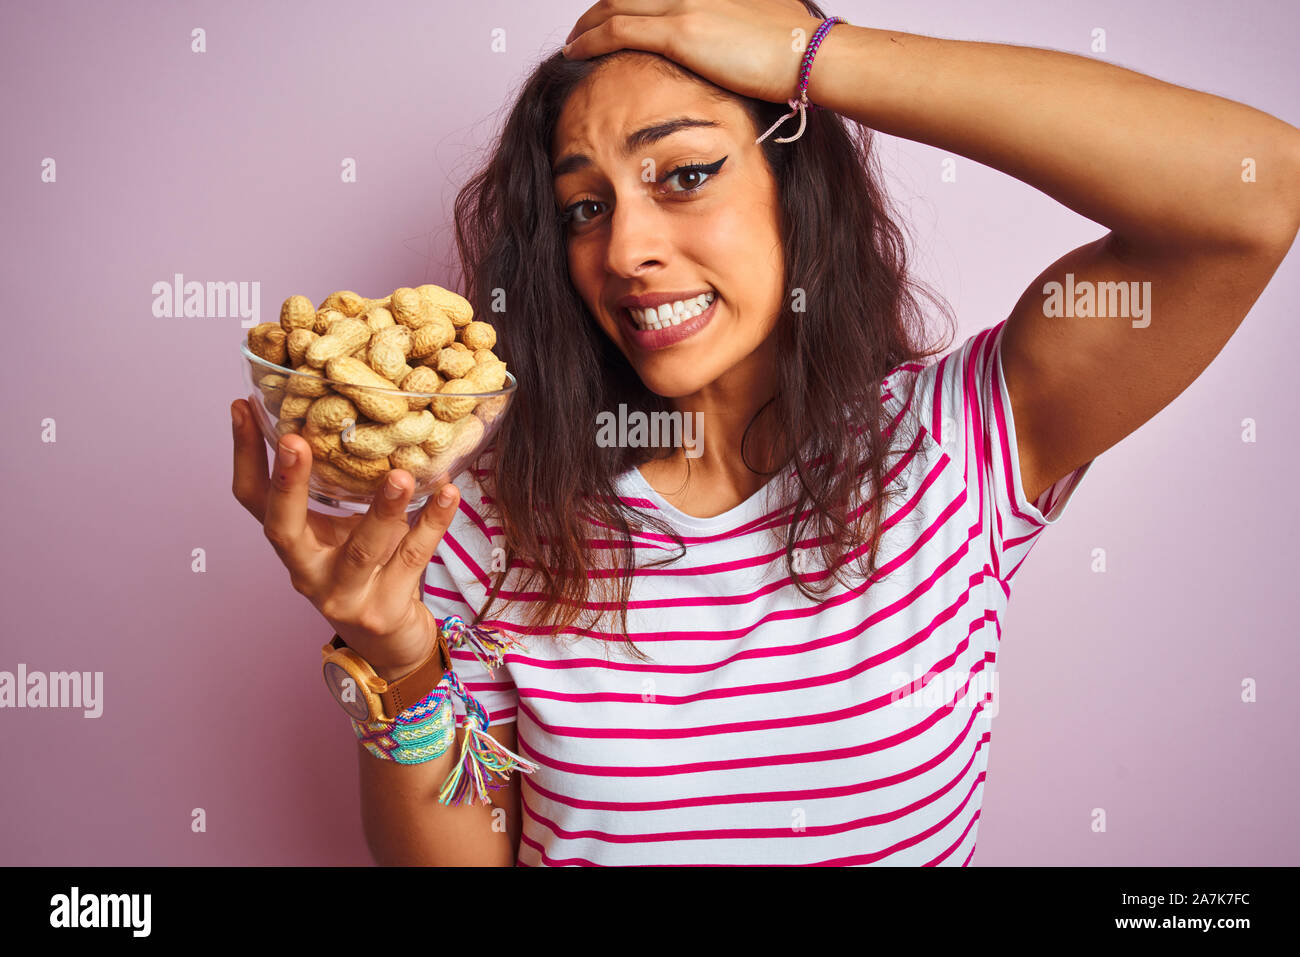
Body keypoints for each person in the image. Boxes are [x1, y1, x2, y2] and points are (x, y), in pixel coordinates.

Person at [231, 0, 1300, 866]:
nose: (626, 249)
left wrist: (811, 54)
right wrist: (396, 656)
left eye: (685, 173)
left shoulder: (962, 442)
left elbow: (1253, 194)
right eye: (582, 208)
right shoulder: (479, 518)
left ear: (799, 189)